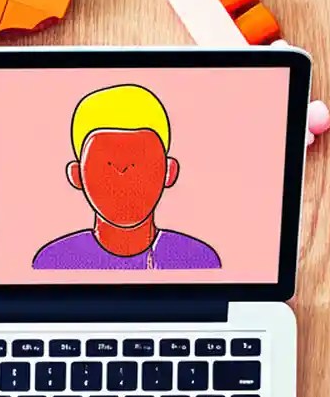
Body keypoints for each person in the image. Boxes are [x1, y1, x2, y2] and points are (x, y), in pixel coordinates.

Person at [32, 84, 222, 270]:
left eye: (140, 157)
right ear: (77, 174)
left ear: (169, 171)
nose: (122, 170)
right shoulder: (55, 262)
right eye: (105, 159)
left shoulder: (198, 260)